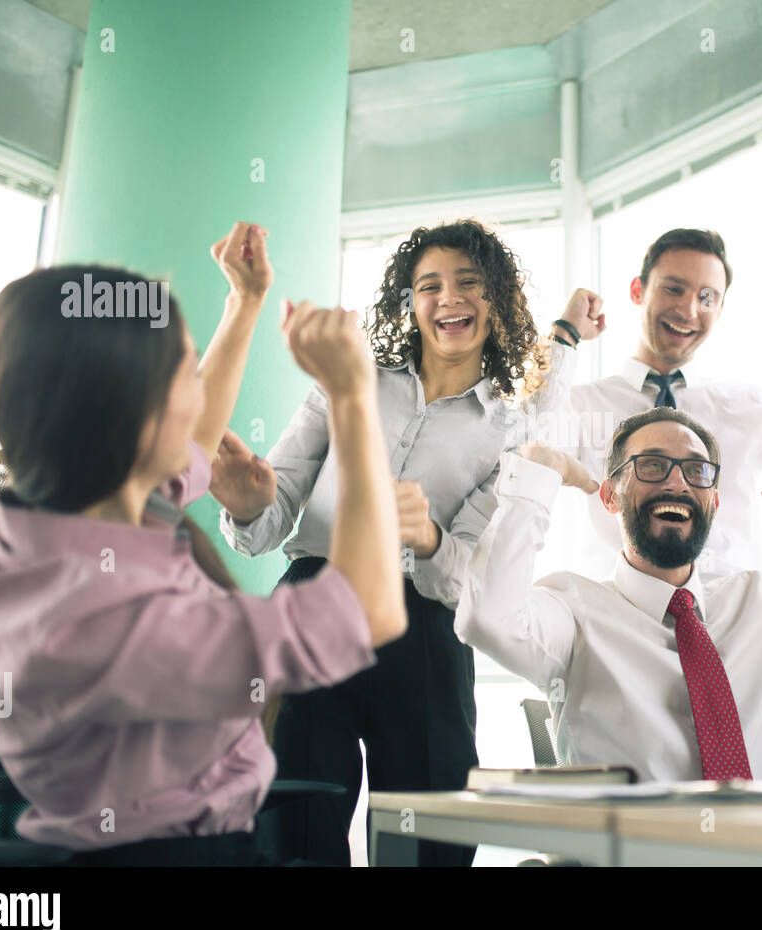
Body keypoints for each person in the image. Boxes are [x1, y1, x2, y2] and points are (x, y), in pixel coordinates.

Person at [0, 223, 408, 865]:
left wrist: (246, 301)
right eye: (184, 370)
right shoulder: (112, 614)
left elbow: (194, 437)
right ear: (128, 415)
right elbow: (370, 612)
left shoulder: (69, 518)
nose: (199, 391)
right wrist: (352, 397)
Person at [212, 219, 574, 865]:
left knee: (430, 834)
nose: (448, 298)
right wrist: (249, 503)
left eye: (469, 283)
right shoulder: (345, 381)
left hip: (427, 634)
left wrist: (428, 537)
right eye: (428, 285)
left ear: (496, 299)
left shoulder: (511, 432)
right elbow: (273, 513)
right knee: (291, 822)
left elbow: (473, 577)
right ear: (410, 302)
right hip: (311, 609)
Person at [539, 227, 762, 780]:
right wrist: (562, 341)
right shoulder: (583, 407)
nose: (688, 309)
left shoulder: (746, 406)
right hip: (627, 648)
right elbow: (529, 445)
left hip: (745, 650)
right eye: (673, 289)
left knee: (759, 832)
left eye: (707, 297)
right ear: (637, 290)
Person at [454, 406, 762, 782]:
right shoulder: (573, 609)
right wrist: (538, 476)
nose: (677, 481)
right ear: (611, 496)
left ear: (714, 503)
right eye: (653, 466)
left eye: (696, 471)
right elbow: (486, 620)